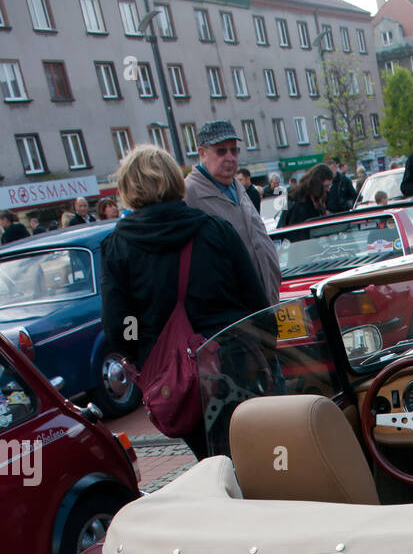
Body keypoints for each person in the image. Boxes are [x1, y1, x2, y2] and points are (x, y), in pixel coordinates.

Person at [101, 144, 268, 461]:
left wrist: (143, 349)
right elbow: (256, 303)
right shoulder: (216, 230)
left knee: (211, 462)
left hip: (173, 377)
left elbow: (121, 325)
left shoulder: (118, 246)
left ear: (127, 189)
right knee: (257, 454)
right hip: (232, 363)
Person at [184, 120, 281, 302]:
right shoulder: (189, 192)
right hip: (231, 311)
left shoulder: (236, 185)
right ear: (202, 153)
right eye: (221, 151)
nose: (230, 157)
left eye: (234, 150)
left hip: (263, 301)